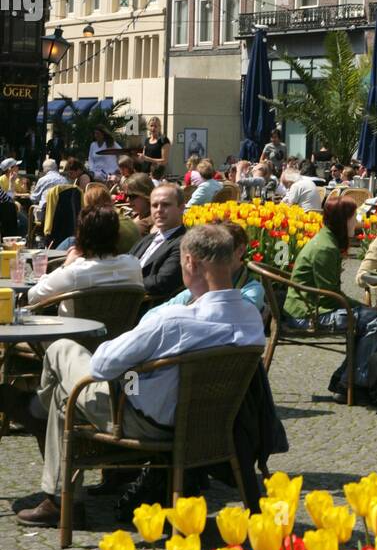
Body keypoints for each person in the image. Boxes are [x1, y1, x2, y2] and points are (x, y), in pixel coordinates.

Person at [11, 224, 265, 528]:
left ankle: (53, 469)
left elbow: (102, 366)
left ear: (190, 262)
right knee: (64, 395)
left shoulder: (175, 321)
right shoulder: (252, 316)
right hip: (212, 424)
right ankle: (56, 486)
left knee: (62, 351)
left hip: (143, 420)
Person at [282, 195, 377, 400]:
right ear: (344, 220)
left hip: (310, 307)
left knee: (372, 320)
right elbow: (330, 297)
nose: (357, 220)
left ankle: (345, 379)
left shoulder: (326, 240)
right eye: (353, 216)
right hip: (308, 313)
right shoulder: (325, 248)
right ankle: (354, 383)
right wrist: (364, 308)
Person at [27, 206, 144, 311]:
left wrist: (66, 265)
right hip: (122, 331)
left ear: (81, 236)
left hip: (73, 332)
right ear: (117, 236)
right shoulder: (133, 265)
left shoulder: (74, 272)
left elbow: (33, 296)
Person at [154, 220, 264, 314]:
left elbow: (231, 316)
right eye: (207, 251)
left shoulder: (251, 290)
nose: (211, 258)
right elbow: (155, 313)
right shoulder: (200, 285)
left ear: (240, 251)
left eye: (221, 251)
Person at [130, 182, 187, 302]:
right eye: (154, 205)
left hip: (144, 306)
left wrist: (125, 281)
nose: (159, 210)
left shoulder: (184, 242)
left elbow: (162, 282)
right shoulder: (148, 239)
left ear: (181, 208)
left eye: (165, 205)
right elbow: (125, 263)